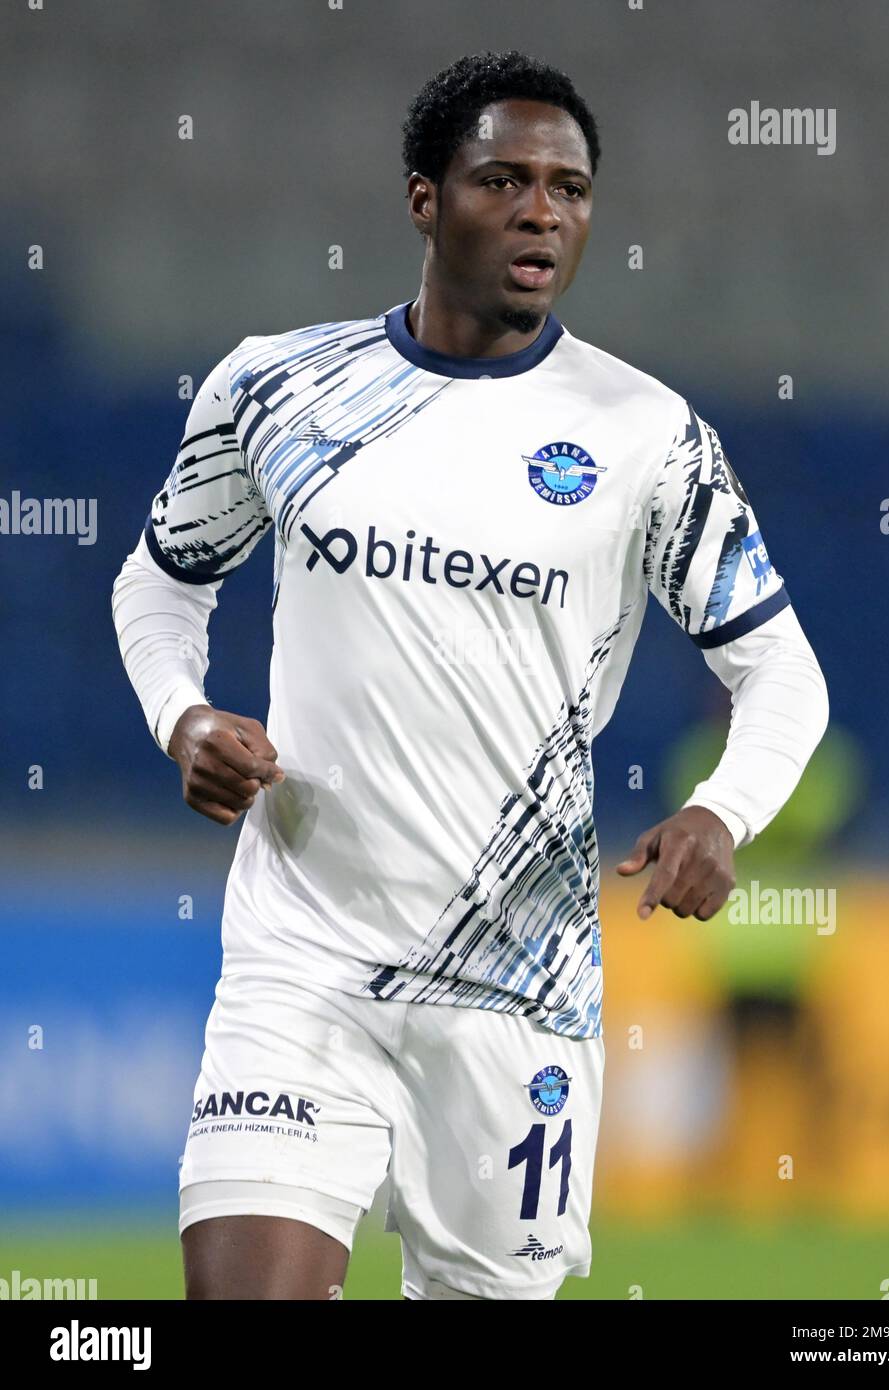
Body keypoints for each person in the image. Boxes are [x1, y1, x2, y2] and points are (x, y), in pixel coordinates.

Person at [111, 50, 829, 1301]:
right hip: (303, 958)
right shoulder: (280, 388)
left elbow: (781, 672)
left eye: (570, 187)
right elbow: (160, 581)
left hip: (520, 990)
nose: (543, 209)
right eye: (504, 178)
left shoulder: (647, 437)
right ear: (424, 200)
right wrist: (182, 716)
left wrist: (724, 807)